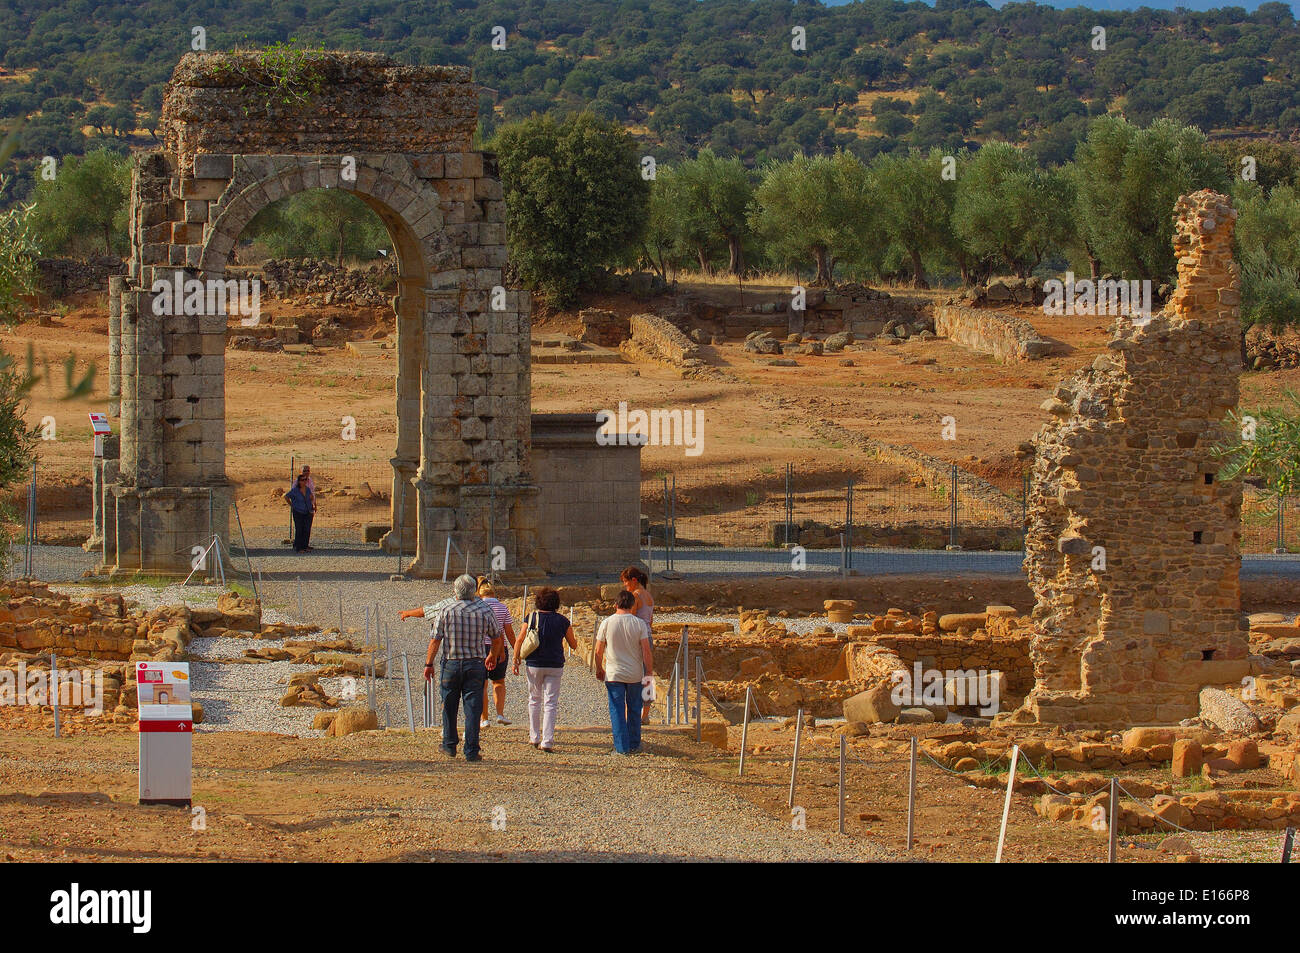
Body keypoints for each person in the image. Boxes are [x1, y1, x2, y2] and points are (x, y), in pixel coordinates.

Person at [405, 574, 503, 762]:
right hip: (475, 662)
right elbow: (496, 637)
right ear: (474, 591)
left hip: (451, 662)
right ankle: (471, 750)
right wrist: (492, 655)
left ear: (455, 591)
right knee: (473, 708)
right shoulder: (485, 609)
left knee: (449, 705)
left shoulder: (446, 609)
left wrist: (428, 663)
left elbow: (435, 640)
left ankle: (449, 744)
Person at [512, 586, 577, 753]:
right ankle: (547, 741)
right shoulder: (563, 621)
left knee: (534, 699)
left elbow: (519, 639)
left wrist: (515, 659)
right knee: (551, 702)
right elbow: (574, 644)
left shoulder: (531, 617)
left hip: (534, 663)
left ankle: (534, 736)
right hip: (554, 664)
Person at [596, 589, 655, 755]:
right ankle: (634, 744)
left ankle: (621, 747)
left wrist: (599, 668)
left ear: (615, 604)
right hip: (634, 674)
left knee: (617, 709)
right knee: (635, 708)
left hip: (614, 673)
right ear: (632, 605)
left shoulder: (606, 623)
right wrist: (649, 671)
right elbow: (646, 650)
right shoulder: (639, 624)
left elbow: (599, 650)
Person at [475, 578, 516, 729]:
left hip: (480, 647)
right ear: (494, 593)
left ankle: (484, 718)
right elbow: (509, 632)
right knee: (498, 681)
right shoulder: (502, 607)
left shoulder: (478, 607)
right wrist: (516, 650)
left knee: (482, 684)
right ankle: (500, 714)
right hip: (500, 648)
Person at [620, 566, 655, 723]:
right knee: (648, 674)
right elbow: (651, 621)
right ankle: (645, 714)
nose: (625, 586)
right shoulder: (649, 596)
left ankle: (630, 713)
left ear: (634, 581)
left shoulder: (635, 596)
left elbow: (630, 620)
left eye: (626, 583)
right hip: (648, 636)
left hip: (638, 639)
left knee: (632, 676)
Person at [283, 474, 314, 553]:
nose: (304, 482)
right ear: (299, 481)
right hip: (298, 512)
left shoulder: (307, 489)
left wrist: (311, 507)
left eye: (305, 480)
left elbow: (311, 497)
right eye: (302, 480)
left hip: (307, 511)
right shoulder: (295, 490)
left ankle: (305, 546)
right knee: (299, 529)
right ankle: (299, 547)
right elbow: (286, 496)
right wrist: (292, 505)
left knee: (306, 529)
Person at [300, 466, 317, 551]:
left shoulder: (310, 481)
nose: (306, 472)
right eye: (304, 471)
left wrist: (315, 504)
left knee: (307, 527)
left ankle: (306, 545)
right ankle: (300, 546)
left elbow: (313, 493)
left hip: (310, 507)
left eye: (308, 470)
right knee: (301, 527)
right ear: (301, 472)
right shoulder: (298, 482)